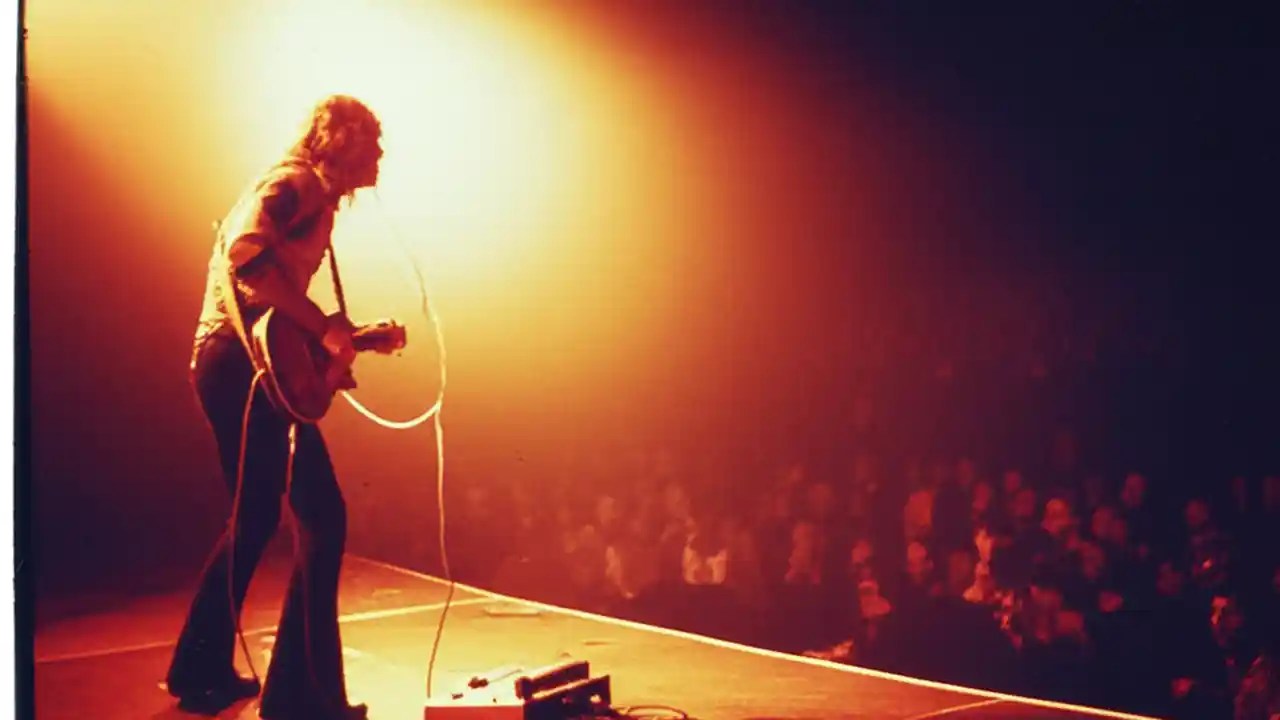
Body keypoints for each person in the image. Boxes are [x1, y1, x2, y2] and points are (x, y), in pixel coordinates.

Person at [165, 95, 383, 720]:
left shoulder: (309, 194)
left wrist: (343, 340)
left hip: (239, 363)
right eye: (371, 140)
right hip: (238, 364)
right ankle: (301, 696)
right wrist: (323, 326)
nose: (381, 155)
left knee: (265, 515)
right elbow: (247, 257)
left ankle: (207, 671)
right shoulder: (296, 183)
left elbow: (277, 307)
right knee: (317, 514)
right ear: (340, 141)